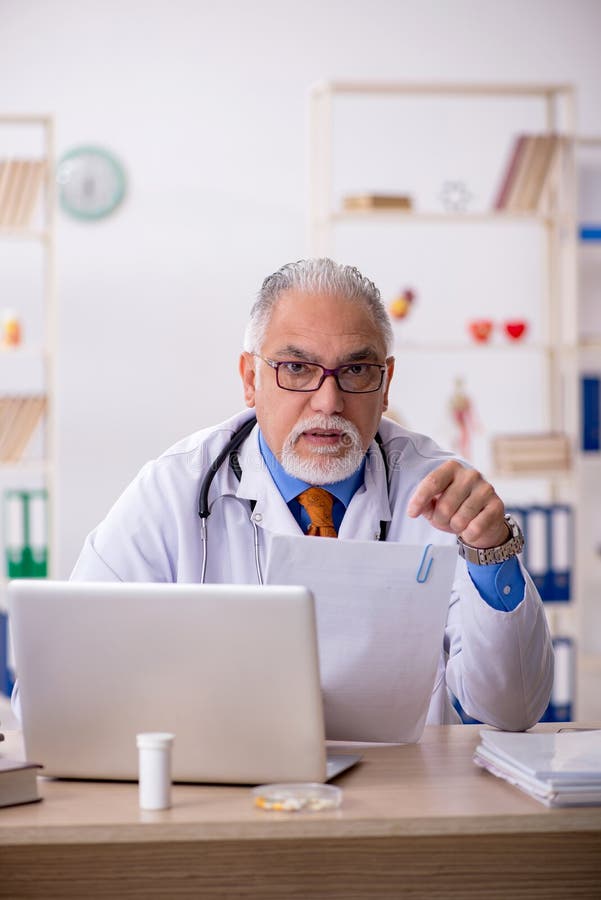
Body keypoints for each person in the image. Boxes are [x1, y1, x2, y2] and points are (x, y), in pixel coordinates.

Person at [71, 258, 553, 732]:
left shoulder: (444, 494)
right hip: (223, 791)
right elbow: (67, 685)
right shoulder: (174, 490)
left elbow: (511, 710)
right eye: (297, 368)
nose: (328, 401)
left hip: (400, 797)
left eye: (356, 370)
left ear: (385, 385)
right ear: (249, 379)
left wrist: (491, 552)